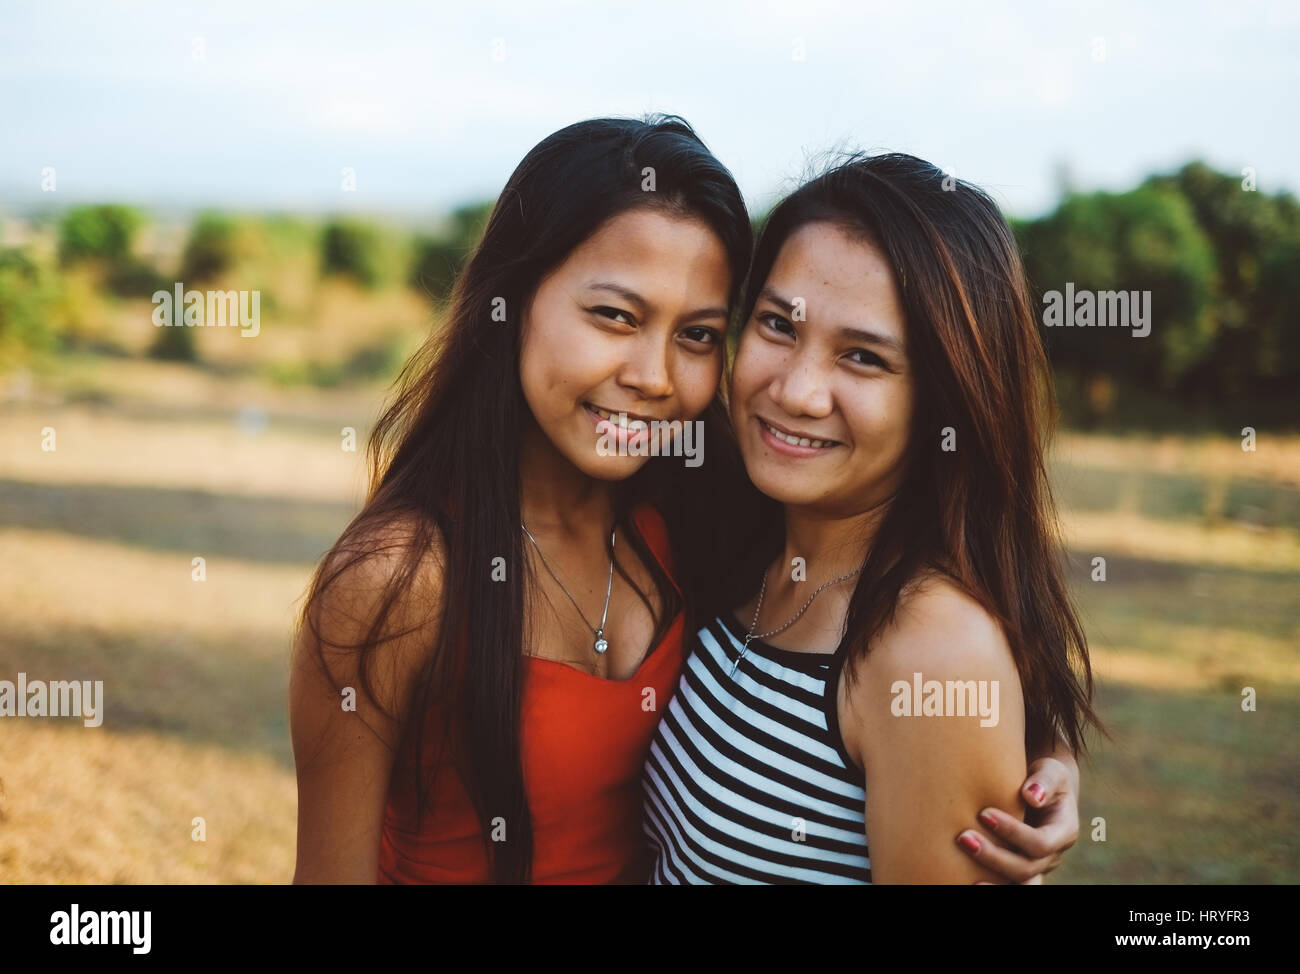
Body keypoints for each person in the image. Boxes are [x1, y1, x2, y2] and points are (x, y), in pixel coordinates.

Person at [642, 152, 1102, 883]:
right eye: (776, 325)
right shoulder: (746, 530)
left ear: (945, 399)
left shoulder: (927, 648)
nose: (796, 390)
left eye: (861, 357)